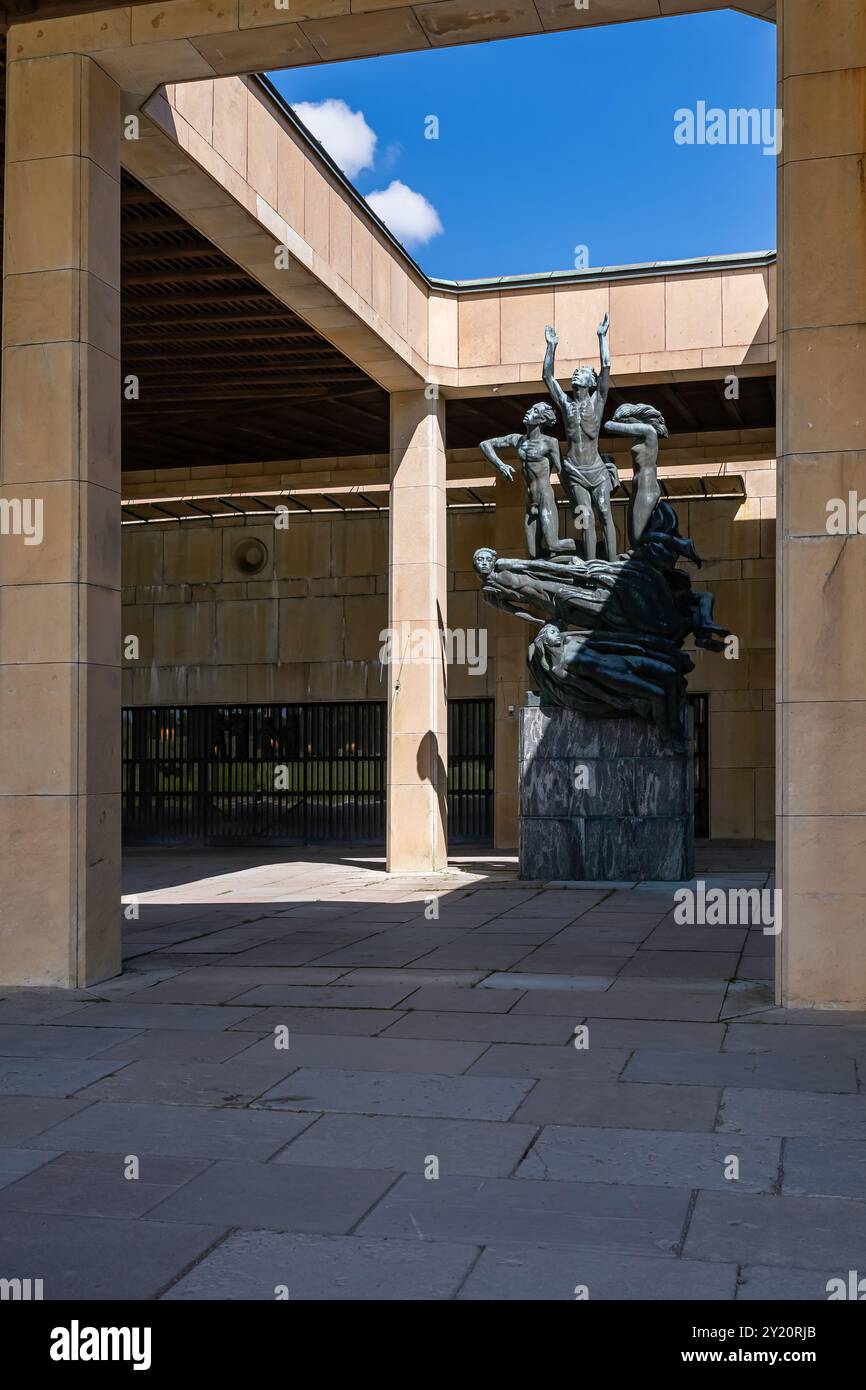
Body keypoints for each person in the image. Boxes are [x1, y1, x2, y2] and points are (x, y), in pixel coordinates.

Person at [543, 312, 619, 561]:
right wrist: (551, 347)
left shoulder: (598, 400)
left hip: (596, 469)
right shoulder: (566, 404)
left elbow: (606, 366)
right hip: (574, 469)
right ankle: (590, 567)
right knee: (585, 518)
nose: (575, 374)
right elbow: (548, 377)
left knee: (605, 512)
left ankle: (613, 565)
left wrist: (601, 337)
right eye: (574, 372)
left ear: (591, 381)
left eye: (581, 372)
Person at [479, 402, 575, 558]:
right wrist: (501, 465)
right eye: (530, 408)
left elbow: (562, 472)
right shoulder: (517, 440)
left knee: (553, 544)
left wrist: (574, 498)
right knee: (533, 553)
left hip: (546, 498)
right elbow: (485, 444)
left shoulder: (550, 443)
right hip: (530, 501)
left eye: (535, 410)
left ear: (541, 419)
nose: (528, 411)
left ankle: (584, 550)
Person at [603, 402, 668, 547]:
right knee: (634, 537)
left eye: (626, 421)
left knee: (637, 538)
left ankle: (678, 544)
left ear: (635, 417)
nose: (625, 425)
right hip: (639, 487)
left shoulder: (648, 430)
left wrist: (616, 421)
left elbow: (608, 426)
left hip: (646, 487)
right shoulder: (641, 437)